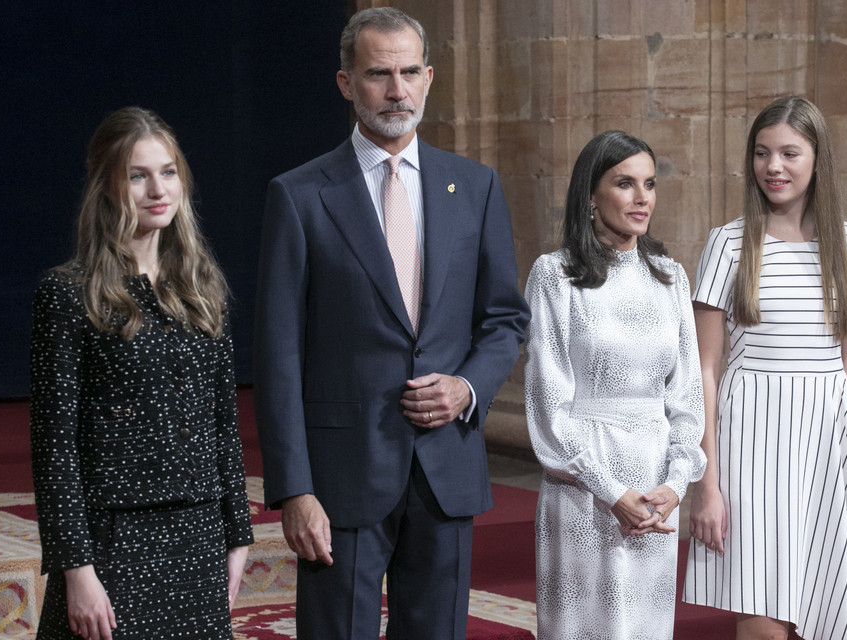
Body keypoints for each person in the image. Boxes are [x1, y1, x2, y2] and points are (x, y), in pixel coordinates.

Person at [253, 7, 529, 640]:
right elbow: (278, 354)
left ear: (429, 77)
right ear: (348, 83)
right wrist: (294, 488)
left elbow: (505, 318)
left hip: (445, 471)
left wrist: (467, 388)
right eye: (380, 74)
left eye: (409, 72)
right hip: (340, 478)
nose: (397, 90)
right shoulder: (298, 196)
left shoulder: (476, 186)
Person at [30, 107, 253, 640]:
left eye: (168, 171)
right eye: (138, 175)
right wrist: (77, 572)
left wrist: (238, 533)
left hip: (198, 534)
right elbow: (54, 444)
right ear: (107, 186)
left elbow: (223, 420)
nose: (158, 189)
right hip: (116, 540)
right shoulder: (68, 293)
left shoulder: (201, 288)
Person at [683, 96, 847, 639]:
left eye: (788, 153)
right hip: (751, 443)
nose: (773, 167)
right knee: (763, 616)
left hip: (830, 440)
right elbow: (704, 369)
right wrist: (707, 482)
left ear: (817, 158)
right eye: (761, 153)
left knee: (834, 611)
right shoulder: (728, 244)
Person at [524, 130, 706, 639]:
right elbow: (546, 404)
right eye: (625, 183)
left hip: (653, 494)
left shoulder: (671, 277)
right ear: (590, 195)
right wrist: (611, 491)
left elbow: (688, 397)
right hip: (584, 487)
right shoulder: (554, 276)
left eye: (649, 184)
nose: (642, 197)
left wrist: (673, 485)